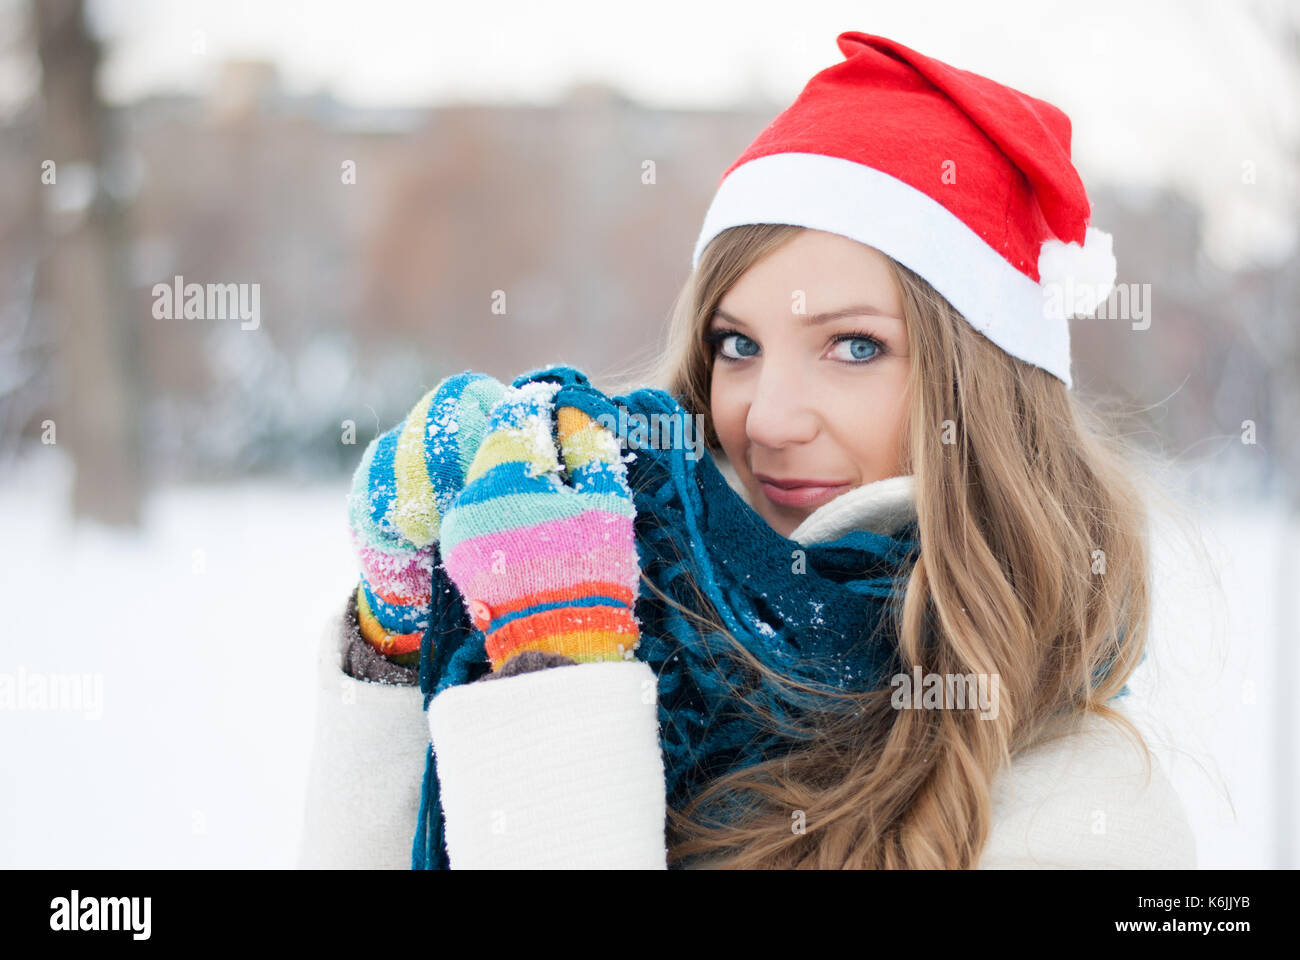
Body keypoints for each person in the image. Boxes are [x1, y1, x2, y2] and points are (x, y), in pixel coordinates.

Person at [298, 30, 1198, 869]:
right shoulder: (652, 637)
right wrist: (405, 641)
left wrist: (559, 682)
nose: (769, 419)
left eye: (854, 347)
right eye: (738, 345)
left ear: (984, 396)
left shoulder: (1092, 805)